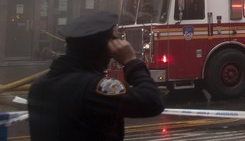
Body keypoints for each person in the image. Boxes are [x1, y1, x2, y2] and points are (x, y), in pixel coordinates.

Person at [28, 10, 165, 140]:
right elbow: (152, 102)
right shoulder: (94, 88)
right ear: (107, 49)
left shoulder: (38, 86)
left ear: (68, 48)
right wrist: (131, 62)